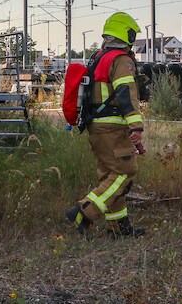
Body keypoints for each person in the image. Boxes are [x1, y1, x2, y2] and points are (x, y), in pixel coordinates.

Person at [65, 12, 146, 238]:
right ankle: (84, 212)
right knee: (125, 171)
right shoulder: (121, 60)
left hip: (96, 126)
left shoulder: (99, 57)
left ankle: (118, 228)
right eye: (132, 34)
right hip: (113, 127)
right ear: (125, 33)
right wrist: (136, 126)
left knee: (108, 175)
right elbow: (125, 94)